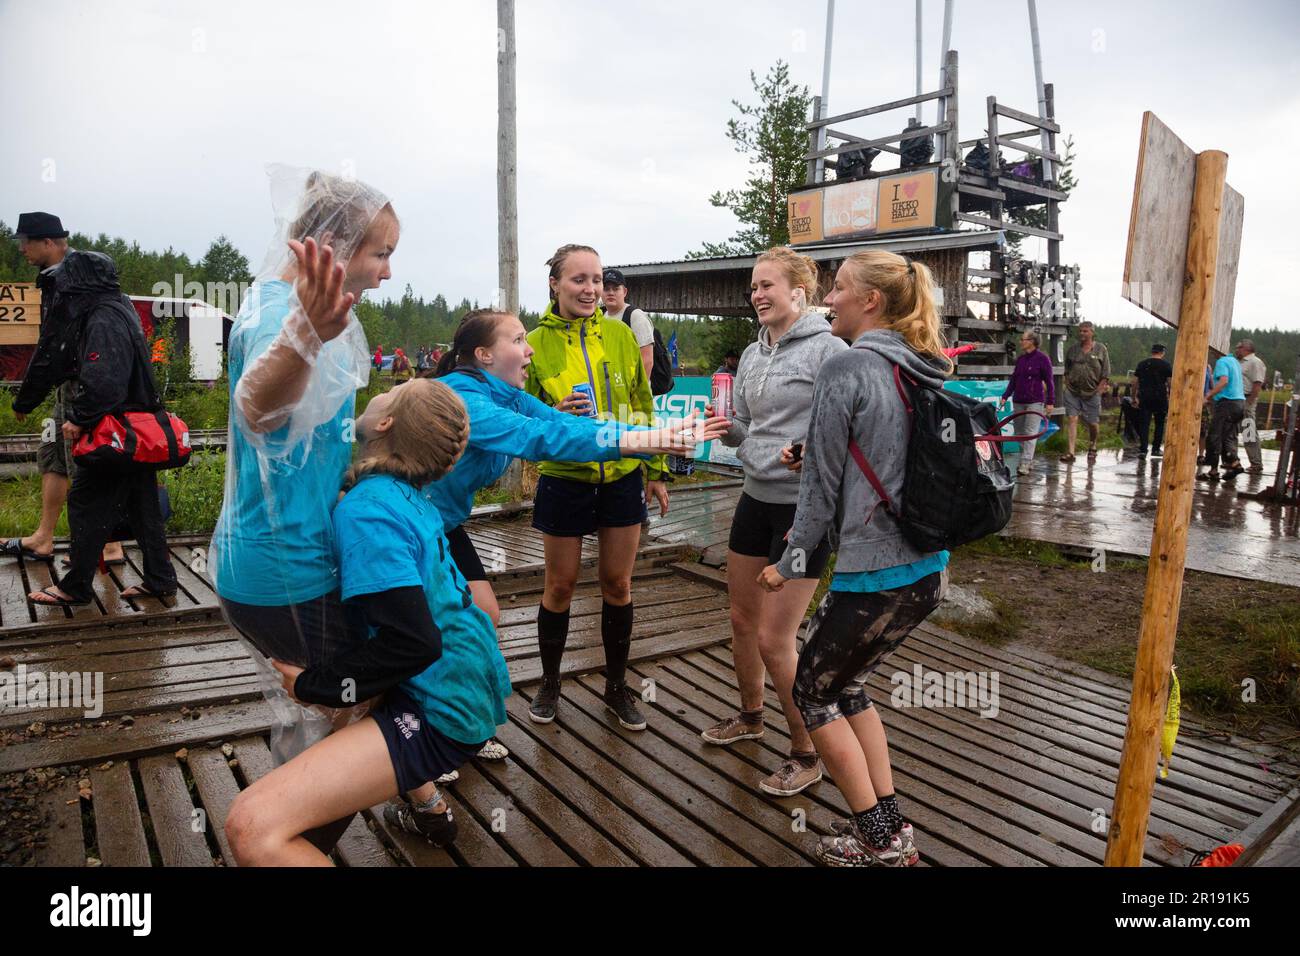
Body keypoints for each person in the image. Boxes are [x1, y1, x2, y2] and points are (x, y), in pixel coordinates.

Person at [225, 377, 514, 865]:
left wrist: (317, 686)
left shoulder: (369, 512)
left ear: (384, 423)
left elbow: (415, 643)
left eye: (396, 389)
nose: (380, 388)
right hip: (463, 689)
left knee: (255, 830)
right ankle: (428, 806)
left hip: (441, 711)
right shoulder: (395, 494)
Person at [758, 250, 952, 867]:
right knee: (850, 687)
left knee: (812, 693)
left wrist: (789, 562)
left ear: (870, 302)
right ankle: (891, 829)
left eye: (838, 289)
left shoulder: (846, 367)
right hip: (926, 569)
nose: (827, 299)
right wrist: (810, 450)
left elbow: (817, 498)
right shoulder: (921, 365)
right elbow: (880, 456)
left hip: (877, 575)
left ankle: (881, 841)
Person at [212, 168, 398, 771]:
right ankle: (286, 836)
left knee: (320, 711)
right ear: (334, 246)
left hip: (287, 556)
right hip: (284, 565)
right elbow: (257, 411)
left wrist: (369, 426)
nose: (388, 271)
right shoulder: (284, 317)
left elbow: (310, 426)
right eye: (381, 253)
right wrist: (303, 334)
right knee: (359, 704)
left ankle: (290, 822)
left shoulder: (310, 313)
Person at [429, 309, 718, 625]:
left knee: (483, 616)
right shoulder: (465, 402)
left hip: (443, 522)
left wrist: (656, 439)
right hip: (405, 521)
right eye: (517, 340)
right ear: (484, 355)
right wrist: (649, 440)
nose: (530, 350)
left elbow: (568, 424)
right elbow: (547, 437)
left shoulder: (509, 397)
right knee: (450, 629)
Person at [700, 247, 847, 797]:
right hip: (754, 497)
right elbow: (745, 426)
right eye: (754, 287)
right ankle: (751, 716)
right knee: (741, 621)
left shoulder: (829, 351)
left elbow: (843, 431)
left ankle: (806, 749)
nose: (758, 295)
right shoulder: (753, 352)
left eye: (768, 286)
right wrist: (725, 428)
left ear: (799, 292)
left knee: (775, 637)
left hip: (803, 510)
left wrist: (812, 451)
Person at [522, 244, 668, 730]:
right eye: (579, 280)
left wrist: (657, 469)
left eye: (598, 280)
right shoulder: (533, 344)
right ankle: (549, 682)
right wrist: (552, 417)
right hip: (566, 478)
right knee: (559, 586)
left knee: (618, 584)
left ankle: (616, 686)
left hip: (623, 475)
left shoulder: (622, 335)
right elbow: (519, 416)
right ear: (555, 285)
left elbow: (643, 406)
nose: (591, 290)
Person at [23, 250, 178, 608]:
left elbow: (105, 380)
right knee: (144, 507)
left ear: (81, 281)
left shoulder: (102, 317)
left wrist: (79, 417)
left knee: (85, 501)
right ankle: (160, 580)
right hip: (137, 431)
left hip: (117, 432)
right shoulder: (119, 307)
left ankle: (75, 587)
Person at [2, 212, 125, 569]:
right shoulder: (56, 277)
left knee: (86, 462)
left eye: (26, 241)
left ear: (49, 243)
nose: (22, 248)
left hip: (84, 385)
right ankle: (43, 538)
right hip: (66, 384)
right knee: (54, 456)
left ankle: (110, 546)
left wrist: (27, 396)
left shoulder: (74, 279)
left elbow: (54, 344)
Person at [1002, 330, 1054, 476]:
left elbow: (1050, 382)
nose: (1021, 342)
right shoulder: (1021, 360)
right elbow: (1014, 379)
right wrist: (1006, 395)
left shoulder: (1043, 359)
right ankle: (1029, 458)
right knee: (1019, 432)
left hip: (1035, 401)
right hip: (1018, 400)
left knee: (1030, 432)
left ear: (1032, 341)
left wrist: (1050, 401)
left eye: (1023, 339)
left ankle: (1025, 462)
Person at [1061, 321, 1110, 464]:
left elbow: (1105, 372)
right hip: (1073, 391)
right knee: (1072, 418)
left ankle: (1093, 444)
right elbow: (1067, 369)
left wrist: (1100, 390)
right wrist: (1067, 382)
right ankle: (1071, 452)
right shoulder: (1073, 350)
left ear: (1092, 332)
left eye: (1085, 331)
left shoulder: (1101, 349)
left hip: (1092, 391)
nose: (1082, 334)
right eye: (1081, 331)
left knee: (1092, 423)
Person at [1198, 348, 1246, 482]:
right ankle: (1234, 464)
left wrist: (1208, 396)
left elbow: (1224, 381)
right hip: (1239, 403)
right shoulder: (1234, 361)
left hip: (1227, 404)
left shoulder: (1222, 361)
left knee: (1214, 436)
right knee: (1227, 437)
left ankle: (1214, 471)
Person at [600, 268, 656, 382]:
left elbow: (647, 360)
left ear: (624, 292)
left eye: (616, 289)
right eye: (606, 289)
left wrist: (636, 394)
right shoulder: (600, 318)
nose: (611, 293)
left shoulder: (635, 316)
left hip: (631, 391)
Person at [1133, 344, 1173, 459]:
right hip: (1160, 397)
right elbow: (1170, 383)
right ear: (1162, 352)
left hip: (1145, 397)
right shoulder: (1166, 365)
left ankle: (1143, 450)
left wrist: (1133, 397)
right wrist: (1170, 396)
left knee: (1144, 424)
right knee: (1159, 423)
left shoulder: (1142, 364)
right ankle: (1156, 449)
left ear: (1152, 352)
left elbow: (1135, 382)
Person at [1234, 339, 1266, 474]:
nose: (1236, 350)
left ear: (1245, 349)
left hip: (1247, 399)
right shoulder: (1240, 363)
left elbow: (1257, 384)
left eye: (1238, 348)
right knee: (1232, 430)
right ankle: (1232, 460)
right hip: (1237, 398)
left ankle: (1256, 463)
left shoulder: (1255, 362)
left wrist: (1250, 402)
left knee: (1249, 431)